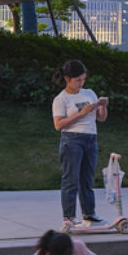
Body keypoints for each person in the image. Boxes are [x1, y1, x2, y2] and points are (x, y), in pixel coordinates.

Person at [51, 59, 108, 228]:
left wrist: (103, 107)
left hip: (91, 138)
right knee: (71, 179)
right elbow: (58, 125)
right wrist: (81, 113)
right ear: (67, 79)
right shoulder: (61, 99)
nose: (81, 83)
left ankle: (89, 214)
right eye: (78, 80)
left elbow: (101, 118)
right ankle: (68, 216)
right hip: (72, 139)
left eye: (83, 79)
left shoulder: (89, 93)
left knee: (87, 179)